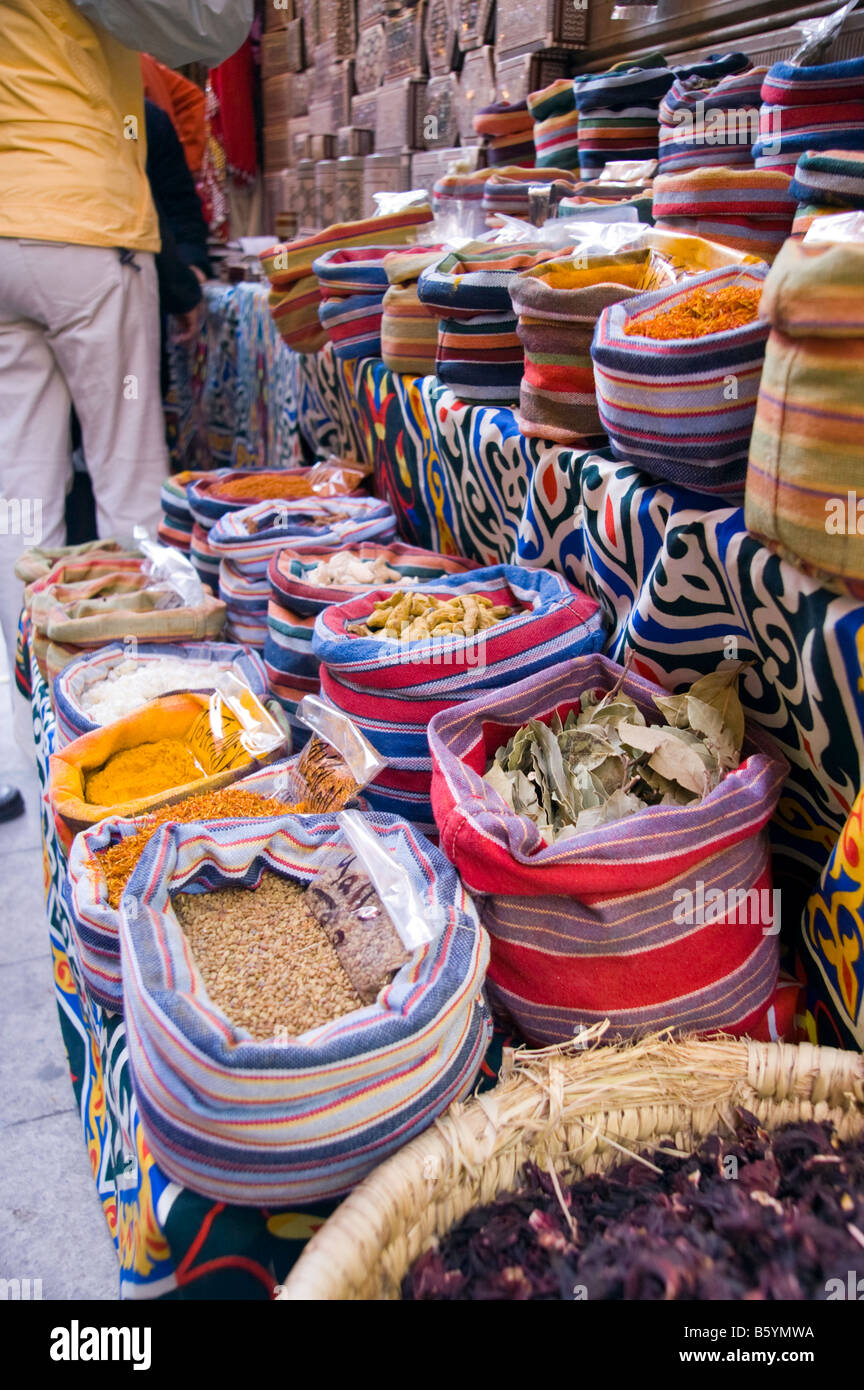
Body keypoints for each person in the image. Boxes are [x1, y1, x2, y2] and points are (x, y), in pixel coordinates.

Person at [0, 0, 252, 773]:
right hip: (84, 230)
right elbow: (210, 23)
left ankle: (35, 742)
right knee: (130, 488)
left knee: (21, 499)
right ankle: (146, 737)